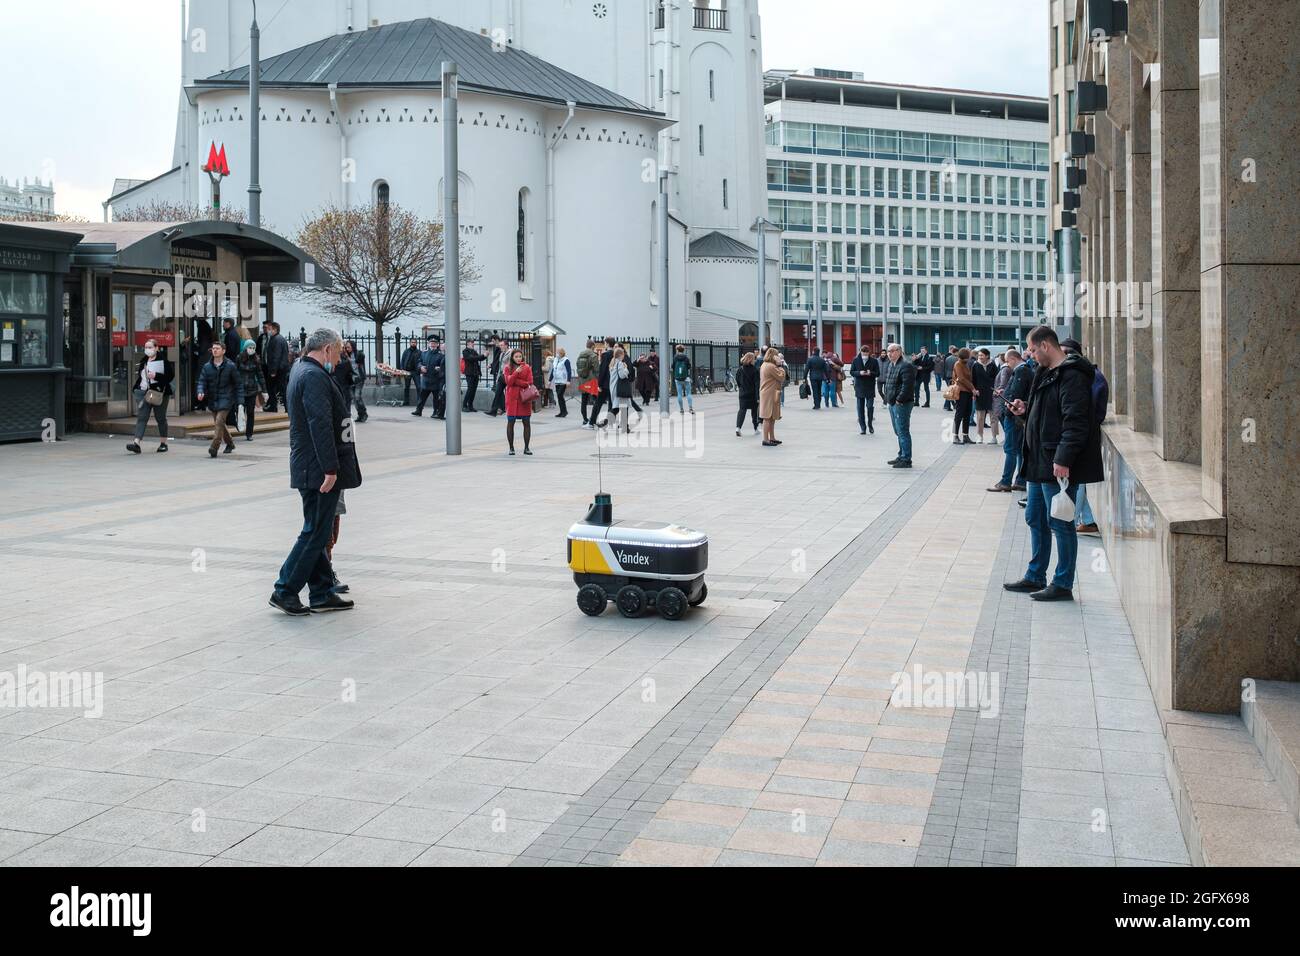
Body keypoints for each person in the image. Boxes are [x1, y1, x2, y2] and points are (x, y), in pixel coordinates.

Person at [1003, 325, 1104, 603]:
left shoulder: (1071, 374)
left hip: (1055, 462)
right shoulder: (1044, 372)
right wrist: (1024, 411)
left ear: (1046, 345)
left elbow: (1076, 421)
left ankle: (1062, 583)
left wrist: (1063, 458)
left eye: (1033, 350)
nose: (1030, 355)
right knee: (1035, 517)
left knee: (1060, 521)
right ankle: (1036, 575)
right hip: (1038, 460)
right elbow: (1046, 416)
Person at [270, 328, 361, 615]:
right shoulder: (314, 376)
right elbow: (319, 424)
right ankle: (285, 589)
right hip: (316, 468)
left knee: (318, 530)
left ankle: (322, 592)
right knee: (315, 532)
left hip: (308, 464)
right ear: (326, 350)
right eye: (336, 352)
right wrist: (330, 469)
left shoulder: (300, 369)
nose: (337, 358)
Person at [1062, 338, 1108, 535]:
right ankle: (1088, 520)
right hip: (1084, 433)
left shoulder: (1090, 376)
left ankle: (1071, 520)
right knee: (1079, 483)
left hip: (1084, 435)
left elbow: (1091, 411)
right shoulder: (1089, 375)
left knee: (1077, 481)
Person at [988, 348, 1031, 493]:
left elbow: (1016, 392)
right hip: (1017, 415)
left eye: (1007, 361)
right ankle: (1020, 480)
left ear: (1013, 359)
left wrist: (1008, 410)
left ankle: (1006, 481)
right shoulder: (1024, 370)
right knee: (1017, 449)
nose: (1007, 364)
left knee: (1011, 449)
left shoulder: (1021, 370)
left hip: (1014, 416)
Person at [125, 339, 173, 454]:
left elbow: (170, 376)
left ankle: (163, 443)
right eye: (146, 347)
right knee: (142, 417)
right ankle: (136, 443)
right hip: (143, 392)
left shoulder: (163, 361)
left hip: (158, 392)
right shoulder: (144, 360)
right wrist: (136, 389)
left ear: (157, 348)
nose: (148, 350)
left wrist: (156, 375)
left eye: (150, 347)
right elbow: (141, 376)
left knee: (160, 418)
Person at [196, 340, 242, 458]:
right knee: (220, 423)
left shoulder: (230, 366)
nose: (215, 350)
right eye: (213, 348)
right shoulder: (207, 367)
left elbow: (238, 384)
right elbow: (202, 381)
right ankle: (230, 443)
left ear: (223, 351)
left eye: (217, 348)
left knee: (219, 422)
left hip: (226, 398)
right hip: (213, 398)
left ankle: (214, 447)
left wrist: (240, 401)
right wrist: (200, 391)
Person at [880, 343, 917, 468]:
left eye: (893, 351)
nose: (890, 353)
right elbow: (889, 383)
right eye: (889, 351)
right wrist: (887, 398)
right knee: (898, 431)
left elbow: (907, 386)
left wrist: (899, 400)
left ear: (900, 352)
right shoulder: (891, 365)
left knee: (903, 431)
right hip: (892, 402)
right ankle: (901, 454)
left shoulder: (906, 366)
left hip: (902, 403)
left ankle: (906, 459)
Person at [503, 348, 535, 455]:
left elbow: (529, 382)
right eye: (516, 356)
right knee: (510, 422)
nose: (518, 358)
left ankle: (526, 447)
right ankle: (511, 448)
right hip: (512, 399)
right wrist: (516, 373)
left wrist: (515, 381)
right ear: (512, 357)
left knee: (526, 423)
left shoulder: (527, 368)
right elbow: (508, 382)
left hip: (524, 399)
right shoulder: (508, 368)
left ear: (522, 357)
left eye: (519, 356)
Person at [236, 340, 269, 442]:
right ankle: (239, 425)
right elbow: (234, 373)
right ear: (245, 348)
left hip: (252, 389)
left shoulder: (256, 360)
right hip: (241, 389)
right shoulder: (239, 358)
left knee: (250, 412)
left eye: (253, 348)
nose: (252, 350)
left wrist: (264, 391)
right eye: (250, 347)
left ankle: (249, 433)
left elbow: (260, 376)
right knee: (240, 409)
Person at [849, 345, 880, 435]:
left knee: (870, 406)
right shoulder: (855, 360)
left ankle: (870, 424)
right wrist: (859, 373)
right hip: (859, 387)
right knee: (860, 408)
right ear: (860, 352)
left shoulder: (874, 361)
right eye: (863, 353)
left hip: (870, 387)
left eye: (866, 353)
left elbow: (878, 373)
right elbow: (851, 371)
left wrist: (871, 373)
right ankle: (863, 427)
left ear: (869, 353)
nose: (865, 355)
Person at [262, 321, 290, 413]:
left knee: (275, 388)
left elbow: (276, 356)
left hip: (278, 370)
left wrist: (273, 371)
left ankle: (276, 406)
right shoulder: (280, 339)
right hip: (281, 368)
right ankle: (278, 406)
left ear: (275, 329)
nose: (268, 331)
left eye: (269, 329)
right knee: (280, 388)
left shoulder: (276, 340)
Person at [759, 347, 785, 446]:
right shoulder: (771, 366)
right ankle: (766, 439)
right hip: (769, 393)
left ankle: (772, 437)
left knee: (772, 417)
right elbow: (781, 377)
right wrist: (780, 365)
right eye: (776, 355)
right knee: (767, 417)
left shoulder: (765, 365)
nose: (778, 357)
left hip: (769, 393)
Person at [971, 348, 998, 444]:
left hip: (992, 393)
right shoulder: (976, 365)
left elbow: (997, 379)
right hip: (980, 393)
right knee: (980, 417)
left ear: (987, 356)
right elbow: (973, 380)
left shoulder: (993, 365)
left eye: (982, 355)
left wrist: (996, 390)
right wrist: (973, 391)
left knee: (993, 416)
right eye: (979, 355)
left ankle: (994, 437)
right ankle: (980, 436)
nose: (980, 357)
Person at [590, 336, 617, 426]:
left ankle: (592, 422)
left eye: (605, 343)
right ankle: (610, 422)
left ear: (608, 344)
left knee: (598, 403)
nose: (604, 344)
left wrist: (599, 384)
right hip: (613, 383)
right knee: (611, 403)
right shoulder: (615, 354)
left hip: (605, 384)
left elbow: (603, 370)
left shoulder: (606, 355)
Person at [950, 348, 975, 445]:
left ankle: (965, 435)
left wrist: (971, 389)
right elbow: (961, 379)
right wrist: (972, 388)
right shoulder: (958, 364)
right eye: (969, 355)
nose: (970, 357)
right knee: (959, 414)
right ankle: (955, 436)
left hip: (967, 392)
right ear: (965, 356)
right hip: (961, 392)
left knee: (967, 414)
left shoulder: (965, 364)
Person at [413, 335, 442, 417]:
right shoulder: (424, 353)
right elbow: (419, 362)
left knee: (436, 398)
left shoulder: (440, 355)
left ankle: (435, 412)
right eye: (431, 343)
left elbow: (443, 366)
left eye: (434, 343)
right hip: (426, 379)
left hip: (436, 380)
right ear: (428, 344)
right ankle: (418, 410)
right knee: (422, 397)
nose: (432, 345)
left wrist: (439, 368)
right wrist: (421, 367)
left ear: (437, 344)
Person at [608, 346, 634, 433]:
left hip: (614, 389)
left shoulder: (613, 363)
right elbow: (622, 375)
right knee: (620, 408)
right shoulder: (619, 363)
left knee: (621, 407)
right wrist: (626, 369)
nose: (624, 356)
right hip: (620, 389)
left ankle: (625, 427)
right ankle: (606, 421)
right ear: (621, 355)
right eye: (623, 354)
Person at [735, 351, 760, 436]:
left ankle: (738, 428)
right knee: (754, 411)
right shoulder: (755, 370)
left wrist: (741, 388)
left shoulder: (740, 369)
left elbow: (737, 381)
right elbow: (757, 384)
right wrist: (758, 397)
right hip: (752, 394)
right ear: (752, 360)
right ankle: (756, 429)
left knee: (742, 410)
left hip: (742, 393)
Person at [576, 340, 599, 426]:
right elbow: (597, 369)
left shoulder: (580, 354)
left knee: (584, 401)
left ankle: (585, 419)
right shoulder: (593, 355)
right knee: (597, 400)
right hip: (591, 380)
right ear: (592, 346)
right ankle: (593, 419)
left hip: (582, 380)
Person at [345, 340, 368, 423]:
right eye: (346, 347)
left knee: (357, 396)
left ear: (353, 346)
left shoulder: (358, 354)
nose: (347, 349)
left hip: (359, 378)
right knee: (354, 399)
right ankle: (360, 415)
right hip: (351, 379)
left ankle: (364, 413)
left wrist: (349, 359)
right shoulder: (346, 355)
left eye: (349, 347)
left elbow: (361, 358)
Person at [487, 336, 509, 417]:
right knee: (498, 392)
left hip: (508, 375)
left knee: (508, 393)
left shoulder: (510, 353)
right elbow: (499, 364)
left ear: (506, 345)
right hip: (501, 375)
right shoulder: (502, 353)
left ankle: (505, 409)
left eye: (502, 345)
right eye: (500, 345)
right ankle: (493, 411)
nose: (500, 347)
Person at [461, 342, 486, 411]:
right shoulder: (465, 351)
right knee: (470, 389)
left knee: (473, 390)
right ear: (467, 344)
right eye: (471, 343)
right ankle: (464, 405)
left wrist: (485, 356)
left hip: (476, 373)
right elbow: (471, 358)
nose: (473, 344)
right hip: (469, 373)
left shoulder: (474, 351)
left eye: (473, 343)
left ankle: (470, 406)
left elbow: (478, 358)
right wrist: (482, 355)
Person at [671, 344, 694, 415]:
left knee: (679, 394)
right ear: (683, 350)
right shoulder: (686, 357)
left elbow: (673, 367)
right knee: (688, 393)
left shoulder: (675, 357)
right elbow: (689, 366)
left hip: (678, 379)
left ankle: (681, 409)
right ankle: (690, 408)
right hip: (686, 378)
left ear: (677, 350)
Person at [399, 337, 423, 406]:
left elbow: (421, 361)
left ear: (416, 343)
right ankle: (406, 401)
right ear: (410, 343)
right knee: (406, 387)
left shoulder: (419, 352)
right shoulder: (406, 351)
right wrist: (402, 369)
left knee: (419, 387)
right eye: (412, 342)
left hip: (416, 372)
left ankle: (419, 402)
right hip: (407, 371)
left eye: (414, 342)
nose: (413, 343)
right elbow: (402, 361)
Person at [551, 347, 573, 418]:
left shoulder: (566, 360)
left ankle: (564, 411)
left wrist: (568, 381)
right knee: (559, 396)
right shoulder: (555, 360)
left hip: (563, 381)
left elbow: (569, 371)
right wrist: (549, 380)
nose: (556, 354)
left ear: (561, 353)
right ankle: (562, 412)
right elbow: (553, 370)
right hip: (557, 381)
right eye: (556, 352)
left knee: (560, 395)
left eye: (558, 352)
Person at [942, 346, 960, 411]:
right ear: (956, 352)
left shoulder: (947, 358)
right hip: (953, 376)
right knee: (953, 391)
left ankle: (947, 406)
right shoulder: (957, 359)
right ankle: (952, 405)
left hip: (947, 375)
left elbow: (945, 367)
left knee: (950, 390)